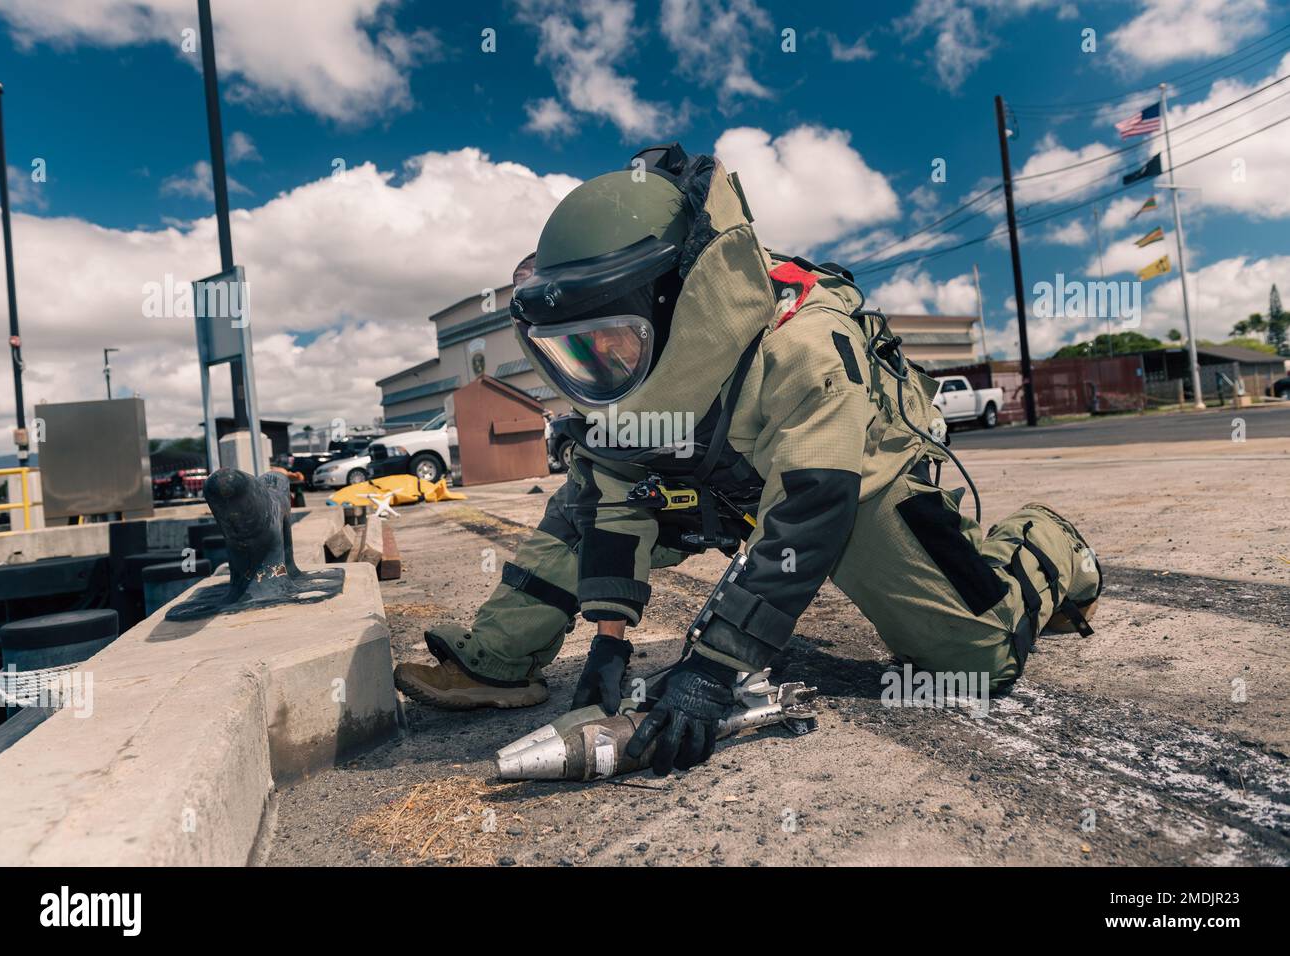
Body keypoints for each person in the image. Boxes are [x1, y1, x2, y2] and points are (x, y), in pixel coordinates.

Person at [394, 143, 1101, 775]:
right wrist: (610, 643)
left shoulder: (804, 348)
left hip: (851, 482)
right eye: (578, 351)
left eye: (612, 340)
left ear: (676, 302)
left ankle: (1051, 542)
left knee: (973, 662)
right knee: (582, 495)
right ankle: (499, 658)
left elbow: (809, 515)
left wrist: (712, 670)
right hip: (714, 483)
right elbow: (611, 501)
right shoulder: (631, 378)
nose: (598, 365)